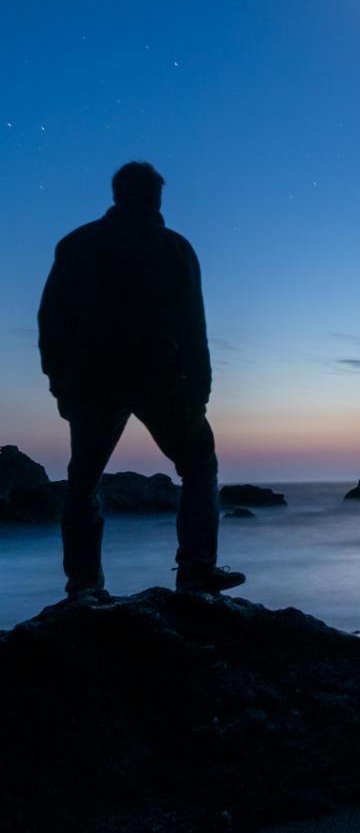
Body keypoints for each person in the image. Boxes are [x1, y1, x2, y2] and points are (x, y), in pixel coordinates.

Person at [38, 162, 245, 595]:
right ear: (156, 197)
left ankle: (84, 587)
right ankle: (195, 571)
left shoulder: (76, 244)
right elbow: (193, 327)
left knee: (82, 485)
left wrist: (60, 383)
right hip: (163, 380)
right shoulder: (173, 247)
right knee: (200, 468)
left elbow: (51, 321)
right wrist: (200, 392)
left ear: (117, 194)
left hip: (93, 380)